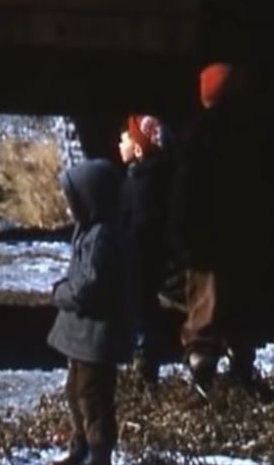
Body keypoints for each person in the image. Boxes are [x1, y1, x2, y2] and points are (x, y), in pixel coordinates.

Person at [173, 61, 267, 391]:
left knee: (205, 302)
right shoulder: (249, 133)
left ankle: (202, 369)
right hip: (239, 232)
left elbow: (185, 189)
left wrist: (181, 229)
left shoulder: (197, 134)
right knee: (240, 298)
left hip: (205, 238)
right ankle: (241, 364)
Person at [47, 159, 132, 465]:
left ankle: (99, 454)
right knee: (76, 392)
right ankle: (80, 445)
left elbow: (89, 287)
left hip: (96, 338)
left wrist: (62, 293)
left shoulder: (102, 238)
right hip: (83, 337)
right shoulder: (89, 230)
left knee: (93, 398)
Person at [117, 113, 176, 383]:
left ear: (139, 150)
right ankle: (144, 361)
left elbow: (137, 227)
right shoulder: (155, 179)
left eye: (125, 139)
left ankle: (143, 364)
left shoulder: (140, 183)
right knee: (145, 309)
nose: (120, 143)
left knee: (141, 311)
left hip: (139, 260)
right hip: (149, 259)